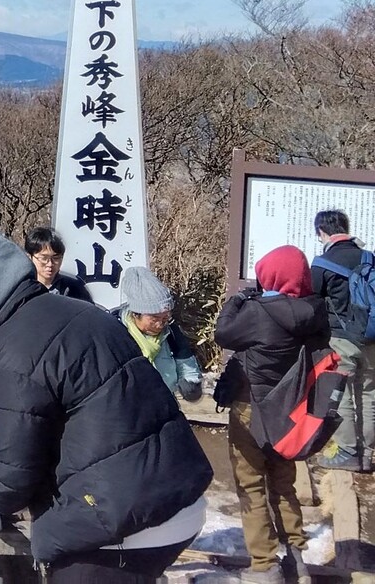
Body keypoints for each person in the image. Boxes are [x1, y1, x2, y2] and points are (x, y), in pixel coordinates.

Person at [0, 231, 211, 584]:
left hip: (123, 523)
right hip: (178, 495)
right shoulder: (83, 312)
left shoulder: (14, 346)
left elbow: (13, 470)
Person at [215, 245, 326, 584]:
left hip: (251, 408)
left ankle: (264, 565)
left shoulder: (257, 312)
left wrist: (237, 300)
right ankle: (297, 560)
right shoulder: (314, 311)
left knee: (251, 485)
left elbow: (223, 333)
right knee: (283, 484)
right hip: (291, 413)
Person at [310, 208, 374, 470]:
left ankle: (347, 451)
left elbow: (311, 301)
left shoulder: (322, 264)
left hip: (341, 338)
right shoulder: (369, 258)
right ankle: (367, 454)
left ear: (322, 232)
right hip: (371, 337)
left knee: (343, 392)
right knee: (369, 394)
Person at [116, 266, 203, 402]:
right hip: (128, 404)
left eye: (165, 318)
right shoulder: (117, 331)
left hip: (165, 400)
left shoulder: (171, 332)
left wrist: (191, 383)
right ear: (136, 314)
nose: (160, 324)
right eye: (154, 318)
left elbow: (186, 362)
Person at [23, 227, 94, 301]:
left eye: (56, 258)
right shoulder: (22, 288)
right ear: (29, 257)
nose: (50, 264)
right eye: (44, 258)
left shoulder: (75, 288)